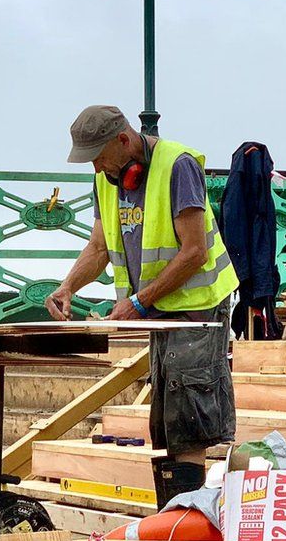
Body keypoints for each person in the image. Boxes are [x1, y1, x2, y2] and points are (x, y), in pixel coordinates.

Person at [47, 105, 239, 508]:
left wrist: (137, 302)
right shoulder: (107, 179)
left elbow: (194, 252)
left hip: (198, 310)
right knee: (166, 425)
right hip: (161, 314)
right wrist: (68, 286)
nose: (96, 168)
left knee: (189, 424)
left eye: (98, 157)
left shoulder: (178, 166)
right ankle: (171, 523)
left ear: (123, 140)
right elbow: (99, 246)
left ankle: (185, 530)